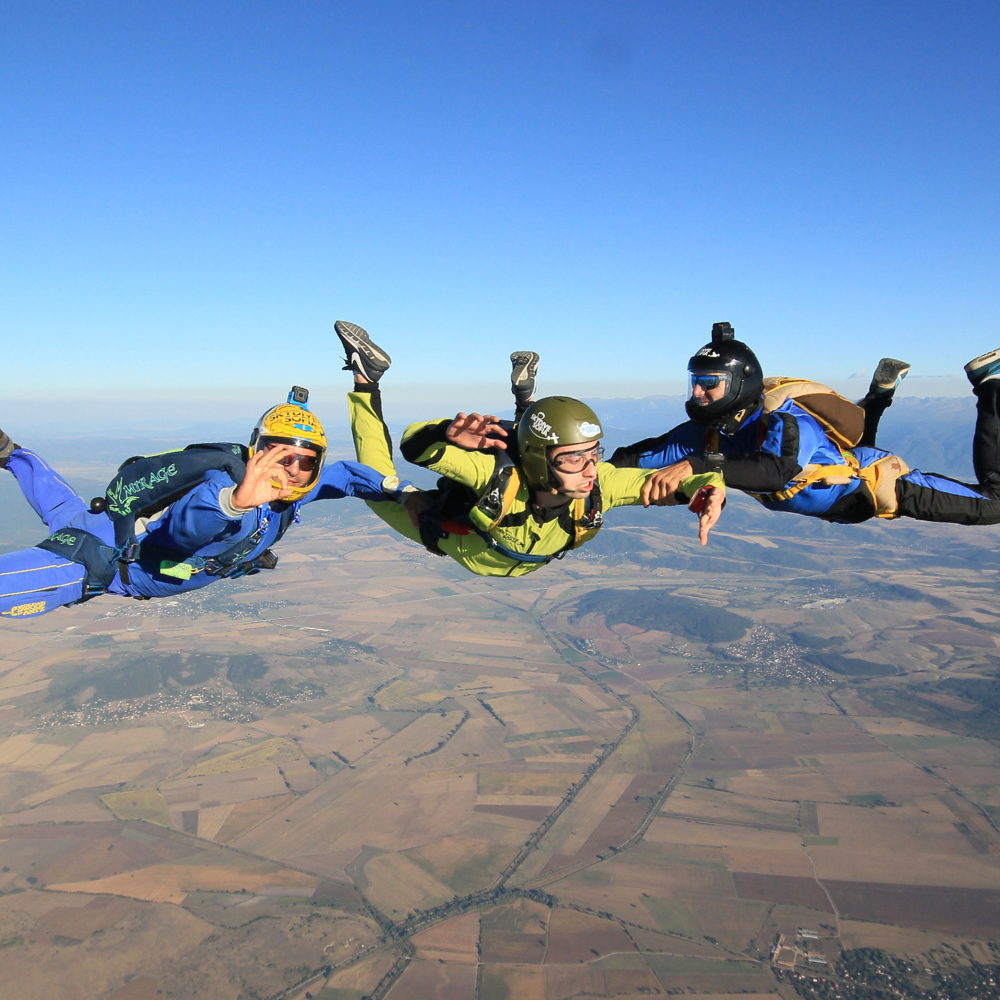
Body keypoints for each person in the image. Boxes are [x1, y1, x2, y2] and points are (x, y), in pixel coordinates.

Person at [333, 320, 726, 577]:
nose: (591, 470)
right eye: (574, 458)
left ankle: (527, 402)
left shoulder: (598, 485)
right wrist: (444, 432)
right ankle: (366, 378)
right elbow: (415, 449)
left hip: (497, 550)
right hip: (462, 538)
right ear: (540, 464)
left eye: (594, 454)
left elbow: (673, 484)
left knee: (539, 442)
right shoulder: (495, 478)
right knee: (377, 483)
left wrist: (709, 490)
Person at [0, 389, 400, 619]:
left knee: (60, 507)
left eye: (305, 460)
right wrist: (234, 503)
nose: (291, 469)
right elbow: (182, 530)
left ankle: (12, 454)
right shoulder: (229, 489)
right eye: (278, 455)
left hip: (101, 525)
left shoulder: (293, 488)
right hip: (101, 561)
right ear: (255, 451)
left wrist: (398, 490)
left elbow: (343, 475)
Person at [610, 322, 1000, 527]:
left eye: (711, 383)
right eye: (695, 381)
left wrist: (698, 466)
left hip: (884, 487)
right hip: (844, 491)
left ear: (740, 383)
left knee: (996, 502)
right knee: (849, 451)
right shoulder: (703, 435)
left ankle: (990, 383)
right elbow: (630, 458)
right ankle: (880, 394)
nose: (698, 393)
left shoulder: (786, 421)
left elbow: (776, 472)